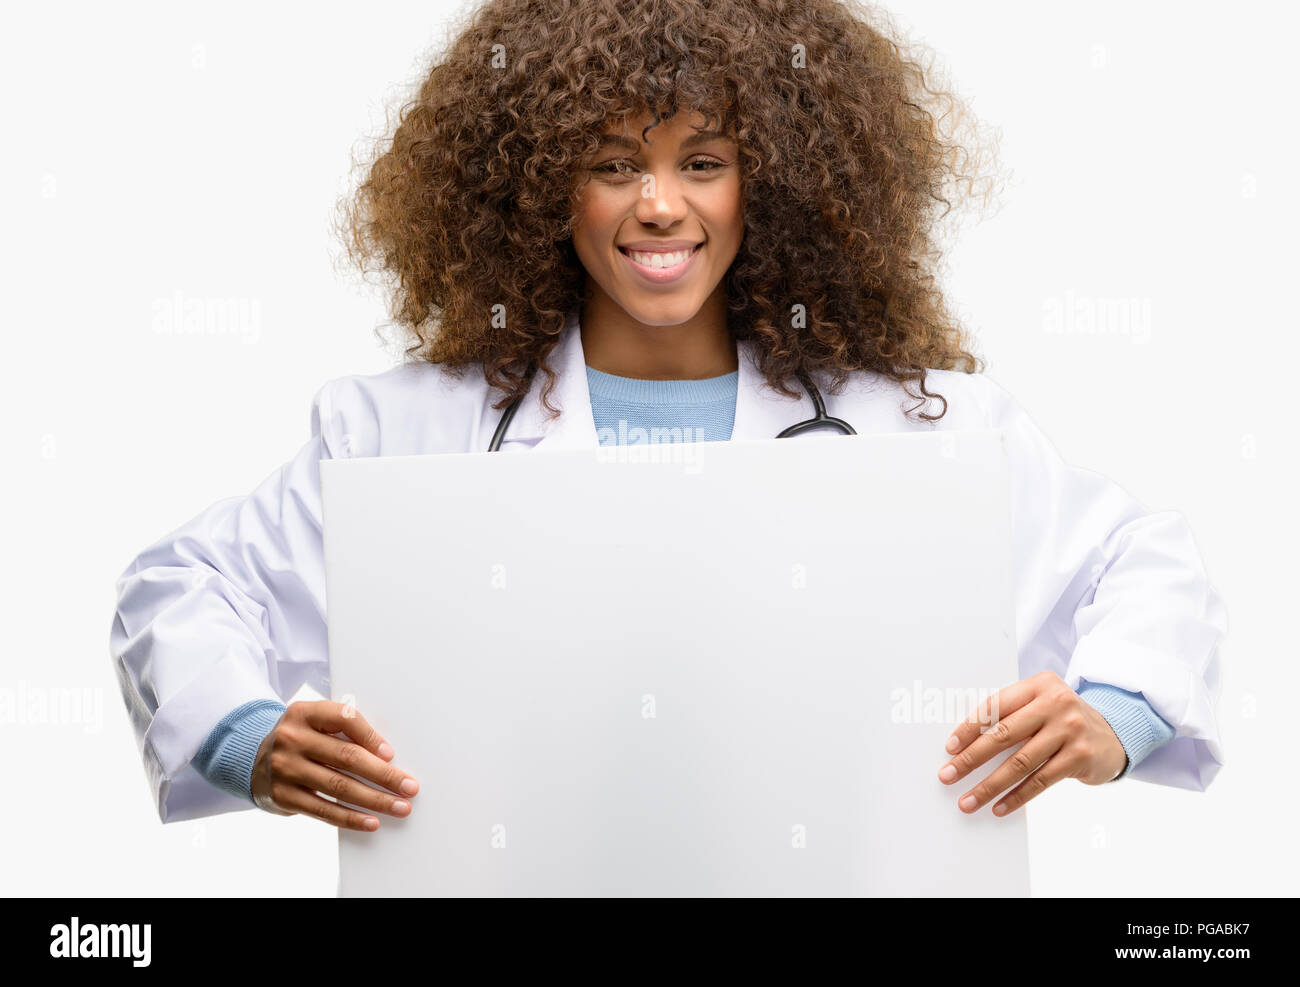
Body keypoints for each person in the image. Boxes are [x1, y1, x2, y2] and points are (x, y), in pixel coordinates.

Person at [109, 0, 1225, 829]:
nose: (657, 204)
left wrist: (1114, 712)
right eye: (610, 163)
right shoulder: (403, 432)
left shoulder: (922, 427)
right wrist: (243, 736)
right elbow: (181, 586)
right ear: (541, 188)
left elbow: (1140, 563)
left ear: (775, 184)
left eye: (703, 161)